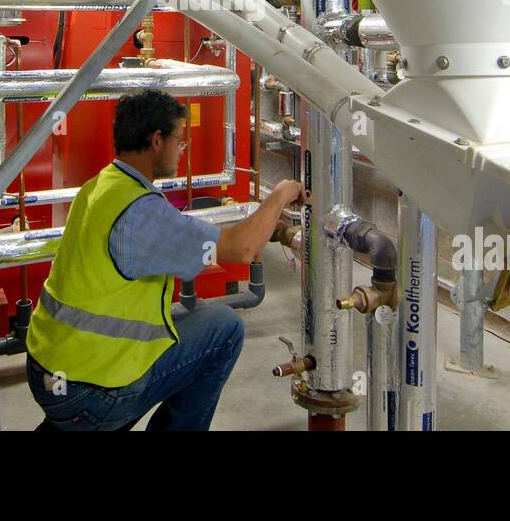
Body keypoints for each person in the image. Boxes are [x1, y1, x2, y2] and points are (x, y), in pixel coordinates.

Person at [25, 88, 305, 430]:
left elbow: (179, 234)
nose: (181, 151)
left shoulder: (103, 186)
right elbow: (241, 250)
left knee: (195, 318)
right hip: (89, 392)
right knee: (224, 329)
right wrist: (280, 196)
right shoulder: (140, 211)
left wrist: (259, 226)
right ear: (157, 140)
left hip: (49, 370)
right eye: (179, 140)